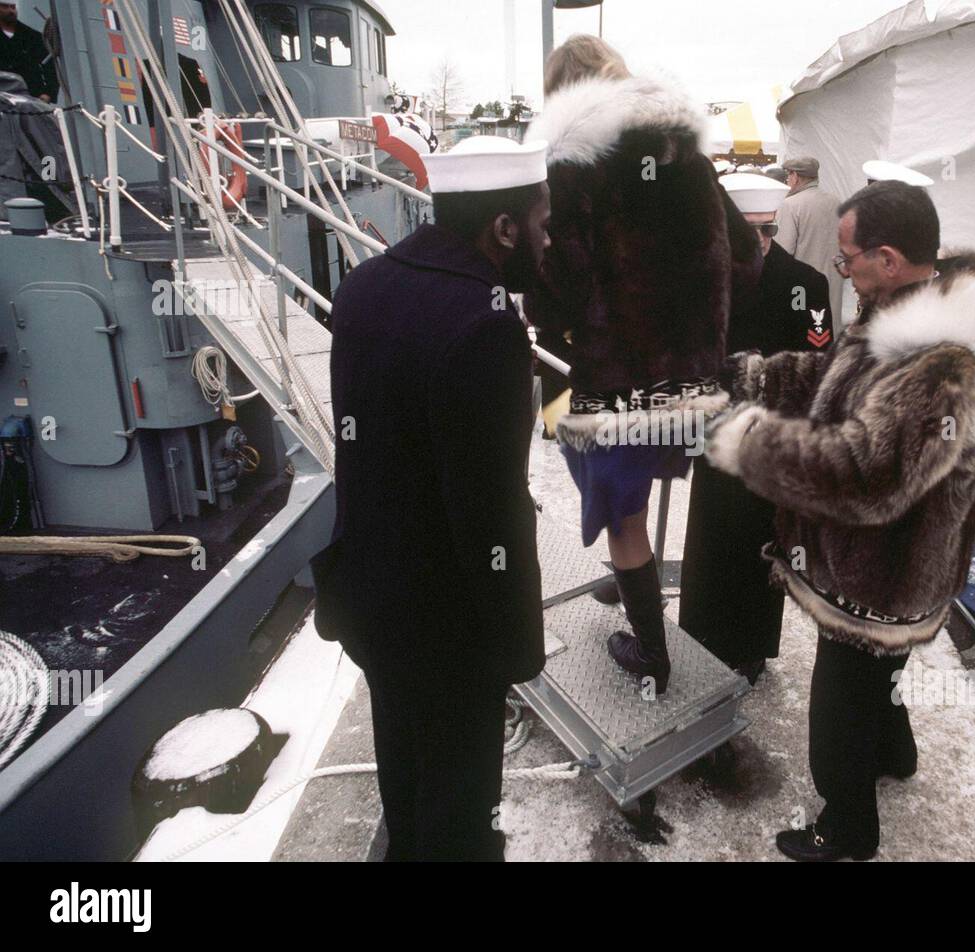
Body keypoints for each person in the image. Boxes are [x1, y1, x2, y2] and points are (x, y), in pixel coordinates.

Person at [707, 181, 975, 861]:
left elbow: (863, 476)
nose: (843, 270)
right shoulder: (904, 310)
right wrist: (752, 377)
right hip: (887, 561)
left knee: (840, 702)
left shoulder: (944, 365)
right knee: (876, 682)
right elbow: (839, 380)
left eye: (848, 258)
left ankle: (846, 826)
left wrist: (751, 443)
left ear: (888, 258)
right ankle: (895, 750)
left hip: (880, 572)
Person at [314, 136, 551, 861]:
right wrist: (517, 641)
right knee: (460, 796)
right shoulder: (487, 326)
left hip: (373, 597)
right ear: (503, 229)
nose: (549, 237)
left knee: (404, 767)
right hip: (450, 626)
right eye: (541, 222)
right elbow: (492, 511)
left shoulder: (363, 285)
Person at [524, 35, 759, 696]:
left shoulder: (573, 156)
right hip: (689, 382)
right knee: (638, 502)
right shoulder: (685, 149)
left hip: (612, 384)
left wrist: (550, 315)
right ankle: (634, 589)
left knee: (619, 515)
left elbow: (556, 277)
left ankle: (651, 655)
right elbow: (746, 258)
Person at [680, 172, 831, 684]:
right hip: (715, 436)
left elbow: (816, 369)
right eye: (748, 234)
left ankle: (750, 648)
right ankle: (698, 634)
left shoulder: (806, 284)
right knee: (706, 539)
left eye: (767, 230)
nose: (760, 243)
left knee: (760, 550)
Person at [773, 155, 844, 332]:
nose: (787, 180)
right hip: (833, 280)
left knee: (802, 332)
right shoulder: (836, 202)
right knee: (828, 329)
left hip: (801, 285)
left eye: (788, 175)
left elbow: (782, 251)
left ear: (795, 176)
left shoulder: (789, 205)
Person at [0, 3, 57, 102]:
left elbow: (50, 66)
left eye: (13, 7)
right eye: (5, 7)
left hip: (32, 97)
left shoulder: (33, 37)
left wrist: (49, 93)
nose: (10, 11)